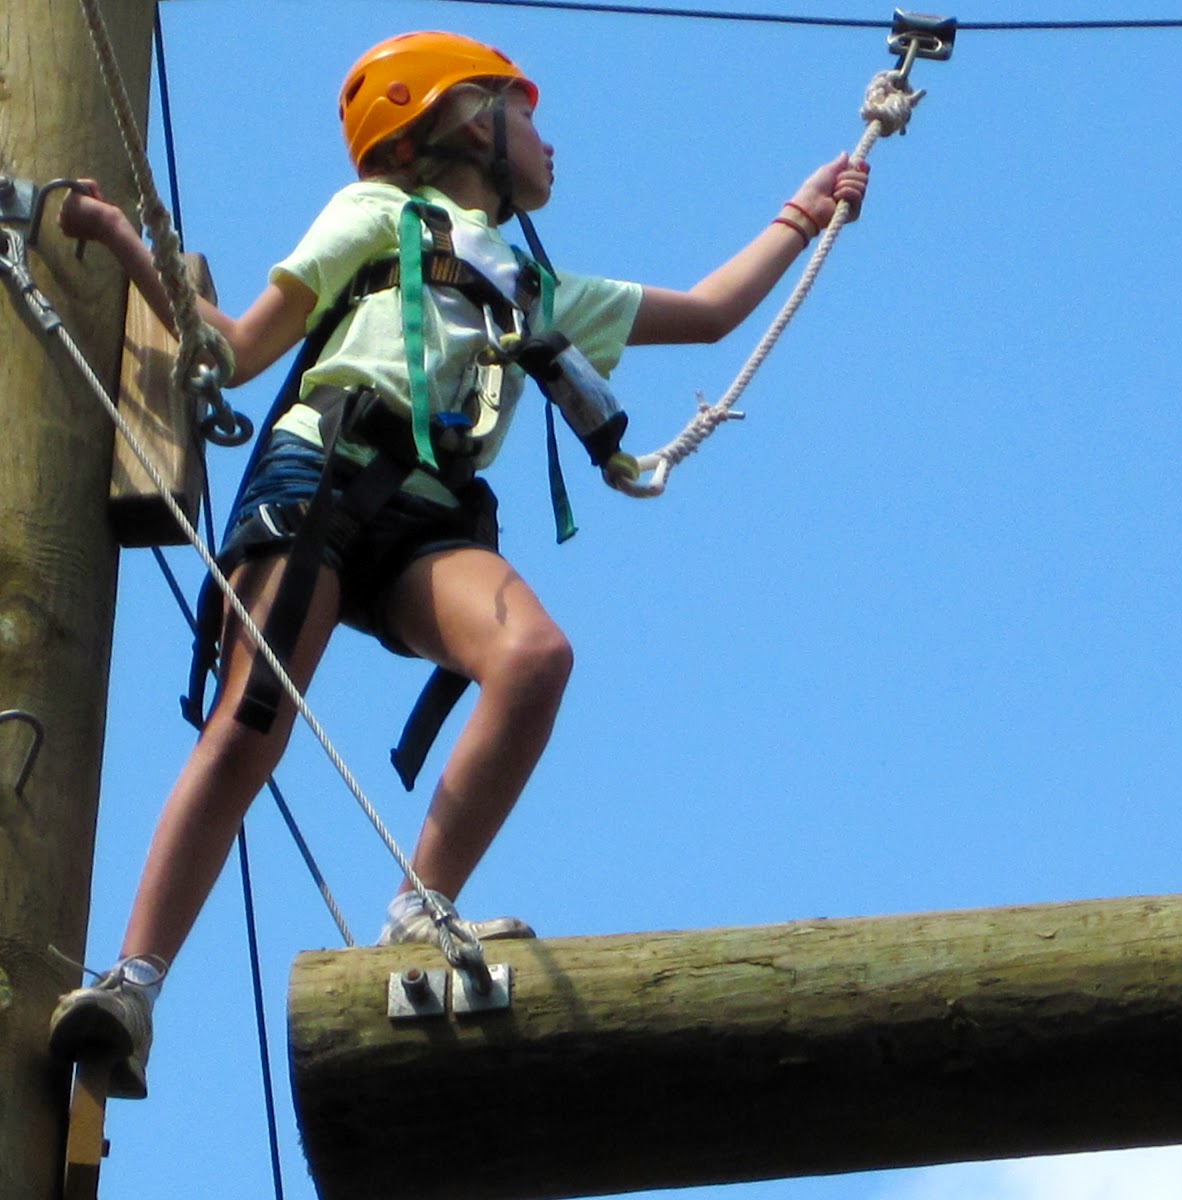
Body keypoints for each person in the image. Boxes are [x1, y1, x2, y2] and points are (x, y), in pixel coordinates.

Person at [48, 29, 868, 1100]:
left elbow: (710, 314)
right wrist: (123, 239)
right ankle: (134, 982)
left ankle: (417, 907)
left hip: (433, 516)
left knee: (534, 655)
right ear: (466, 124)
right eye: (527, 113)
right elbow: (240, 348)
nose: (548, 140)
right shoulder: (374, 217)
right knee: (254, 717)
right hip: (326, 470)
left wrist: (804, 215)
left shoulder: (535, 284)